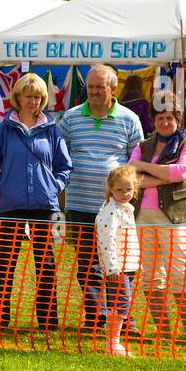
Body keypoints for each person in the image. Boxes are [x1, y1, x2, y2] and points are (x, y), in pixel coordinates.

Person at [0, 73, 71, 332]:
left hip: (45, 205)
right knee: (6, 263)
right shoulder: (1, 131)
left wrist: (54, 186)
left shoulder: (53, 131)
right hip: (11, 204)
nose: (33, 101)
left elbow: (64, 166)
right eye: (29, 96)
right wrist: (1, 187)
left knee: (45, 265)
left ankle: (48, 321)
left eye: (38, 97)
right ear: (18, 97)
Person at [58, 64, 144, 333]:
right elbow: (60, 157)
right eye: (90, 87)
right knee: (87, 264)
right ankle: (96, 318)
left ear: (112, 88)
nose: (93, 92)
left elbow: (136, 164)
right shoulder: (70, 118)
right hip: (79, 204)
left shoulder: (129, 119)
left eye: (99, 87)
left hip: (116, 209)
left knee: (121, 264)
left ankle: (123, 321)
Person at [129, 99, 186, 341]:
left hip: (174, 217)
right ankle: (164, 331)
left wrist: (144, 169)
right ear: (153, 120)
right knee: (150, 274)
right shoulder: (143, 146)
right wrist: (162, 176)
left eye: (170, 117)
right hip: (143, 217)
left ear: (178, 119)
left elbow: (182, 172)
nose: (165, 122)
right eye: (160, 117)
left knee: (179, 272)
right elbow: (130, 178)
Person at [89, 165, 140, 357]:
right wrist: (112, 268)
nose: (125, 193)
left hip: (128, 265)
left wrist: (136, 262)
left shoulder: (127, 210)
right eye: (120, 189)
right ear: (111, 189)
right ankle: (113, 343)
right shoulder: (110, 212)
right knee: (121, 304)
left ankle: (113, 343)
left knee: (120, 304)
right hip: (117, 268)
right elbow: (106, 240)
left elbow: (130, 238)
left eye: (129, 189)